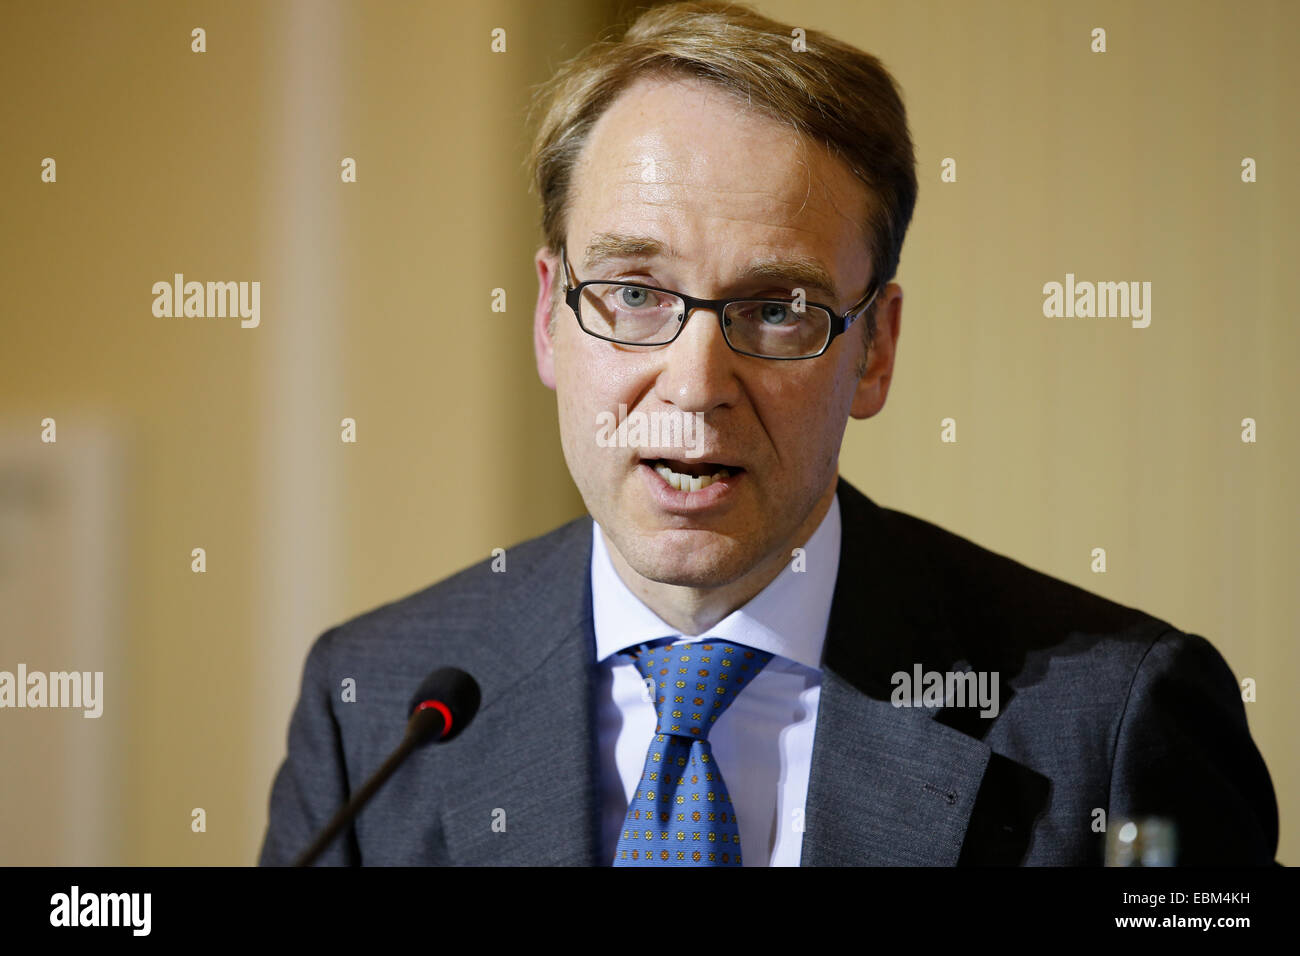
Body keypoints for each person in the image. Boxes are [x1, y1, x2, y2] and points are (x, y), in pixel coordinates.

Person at [258, 1, 1277, 866]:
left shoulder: (1113, 720)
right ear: (547, 318)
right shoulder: (374, 706)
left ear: (873, 348)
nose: (696, 384)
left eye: (777, 306)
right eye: (630, 291)